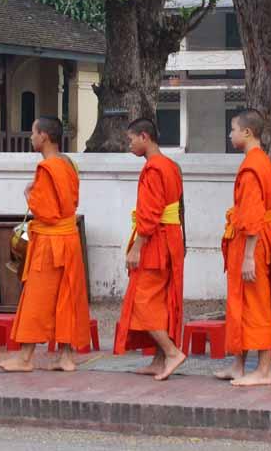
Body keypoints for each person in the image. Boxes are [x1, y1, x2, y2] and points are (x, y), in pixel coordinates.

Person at [0, 116, 91, 373]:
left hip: (51, 243)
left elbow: (47, 212)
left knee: (37, 298)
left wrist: (30, 195)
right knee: (67, 296)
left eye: (33, 132)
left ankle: (25, 358)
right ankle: (66, 357)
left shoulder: (48, 167)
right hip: (69, 240)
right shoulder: (68, 163)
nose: (30, 137)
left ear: (45, 136)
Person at [214, 109, 271, 387]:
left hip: (252, 242)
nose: (229, 134)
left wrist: (248, 255)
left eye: (232, 129)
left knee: (257, 304)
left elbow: (256, 213)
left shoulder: (251, 167)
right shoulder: (264, 162)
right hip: (260, 236)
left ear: (247, 132)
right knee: (243, 303)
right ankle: (239, 364)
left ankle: (264, 369)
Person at [113, 117, 186, 381]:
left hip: (156, 240)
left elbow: (151, 213)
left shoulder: (155, 168)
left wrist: (137, 247)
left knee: (142, 302)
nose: (129, 144)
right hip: (170, 237)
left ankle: (171, 352)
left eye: (131, 139)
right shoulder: (170, 166)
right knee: (161, 301)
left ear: (145, 137)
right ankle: (159, 359)